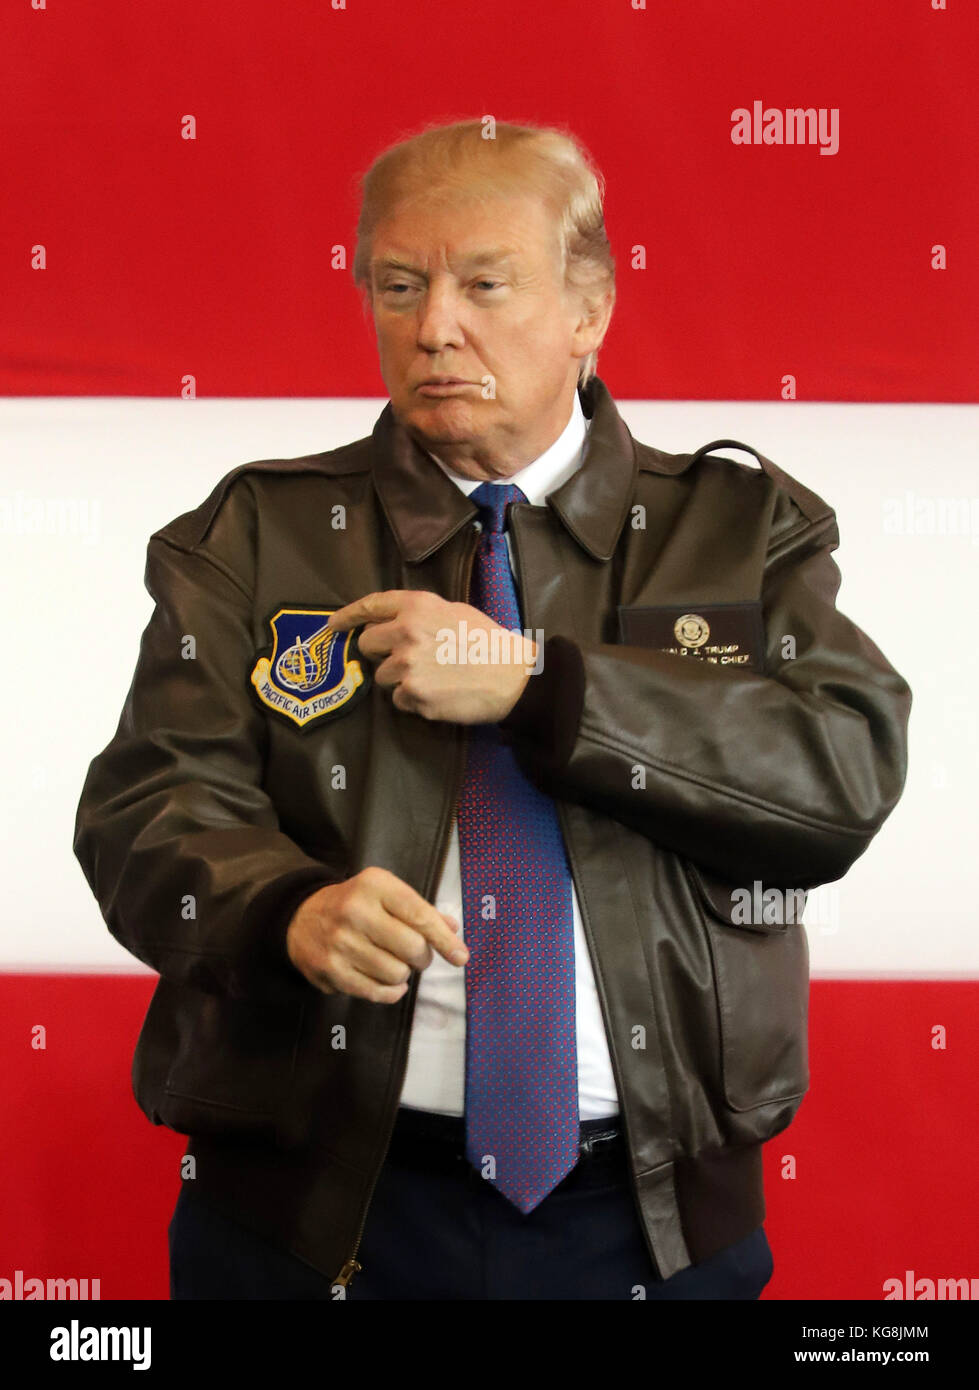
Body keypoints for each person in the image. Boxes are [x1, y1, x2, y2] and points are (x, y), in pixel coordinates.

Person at [73, 118, 911, 1301]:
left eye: (483, 284)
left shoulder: (735, 528)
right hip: (309, 1216)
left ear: (589, 309)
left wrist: (540, 683)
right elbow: (143, 811)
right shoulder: (256, 534)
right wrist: (285, 909)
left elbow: (839, 775)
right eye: (400, 286)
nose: (434, 327)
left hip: (652, 1226)